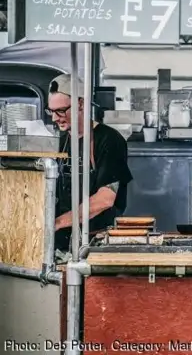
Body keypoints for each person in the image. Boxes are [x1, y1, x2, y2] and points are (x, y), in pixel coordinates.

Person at [49, 74, 133, 252]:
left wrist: (56, 223)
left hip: (96, 244)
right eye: (51, 111)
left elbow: (105, 199)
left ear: (80, 104)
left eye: (61, 111)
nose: (55, 118)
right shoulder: (59, 141)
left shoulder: (109, 140)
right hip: (61, 245)